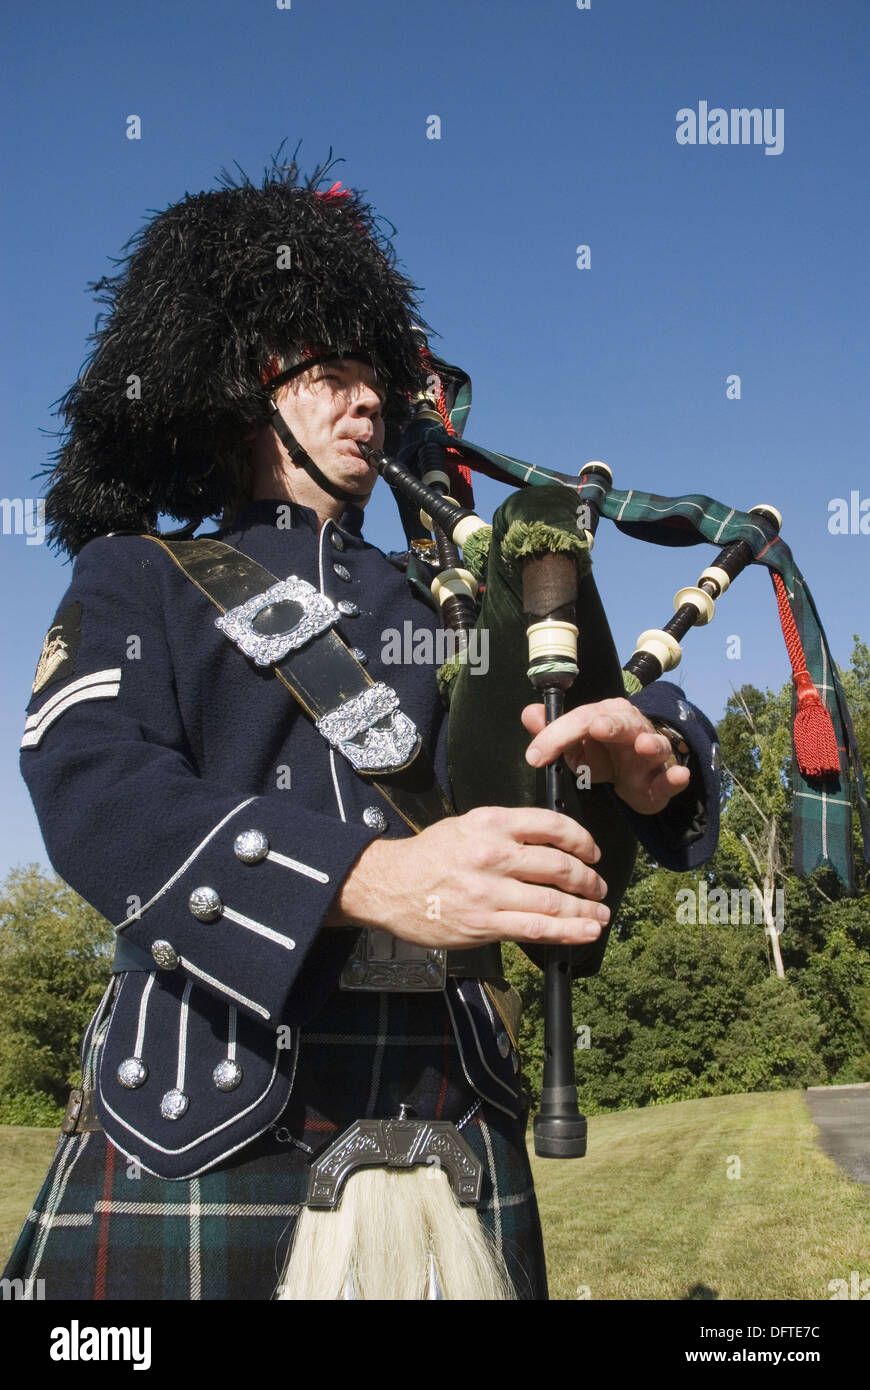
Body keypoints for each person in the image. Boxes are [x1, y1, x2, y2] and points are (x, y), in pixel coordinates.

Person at [4, 153, 719, 1301]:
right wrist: (362, 878)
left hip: (451, 1098)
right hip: (216, 1099)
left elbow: (527, 766)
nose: (370, 400)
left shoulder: (439, 598)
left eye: (377, 376)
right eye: (332, 374)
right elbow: (91, 786)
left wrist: (656, 762)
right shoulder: (138, 577)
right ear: (249, 391)